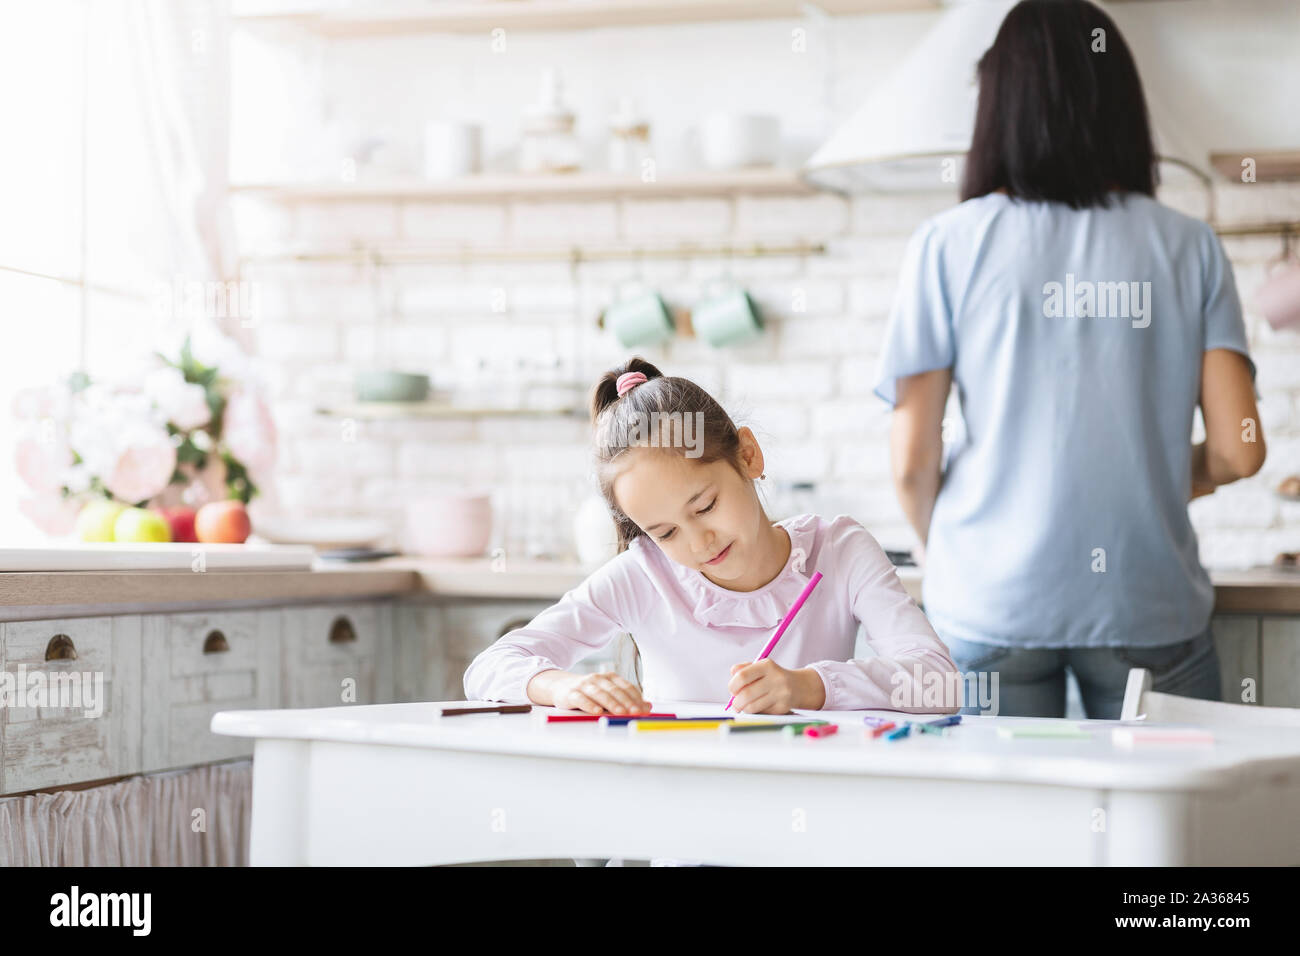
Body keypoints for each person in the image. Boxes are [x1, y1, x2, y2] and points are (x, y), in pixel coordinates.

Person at [877, 0, 1265, 719]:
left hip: (990, 600)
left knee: (1007, 833)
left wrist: (951, 553)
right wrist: (1141, 482)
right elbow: (1241, 453)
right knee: (1171, 829)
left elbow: (910, 461)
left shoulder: (947, 243)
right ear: (1121, 103)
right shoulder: (1190, 246)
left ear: (997, 107)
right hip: (1148, 604)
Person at [464, 357, 958, 716]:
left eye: (705, 506)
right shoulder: (643, 575)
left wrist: (810, 687)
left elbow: (940, 682)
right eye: (665, 532)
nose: (698, 542)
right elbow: (489, 668)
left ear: (748, 456)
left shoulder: (840, 551)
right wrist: (560, 687)